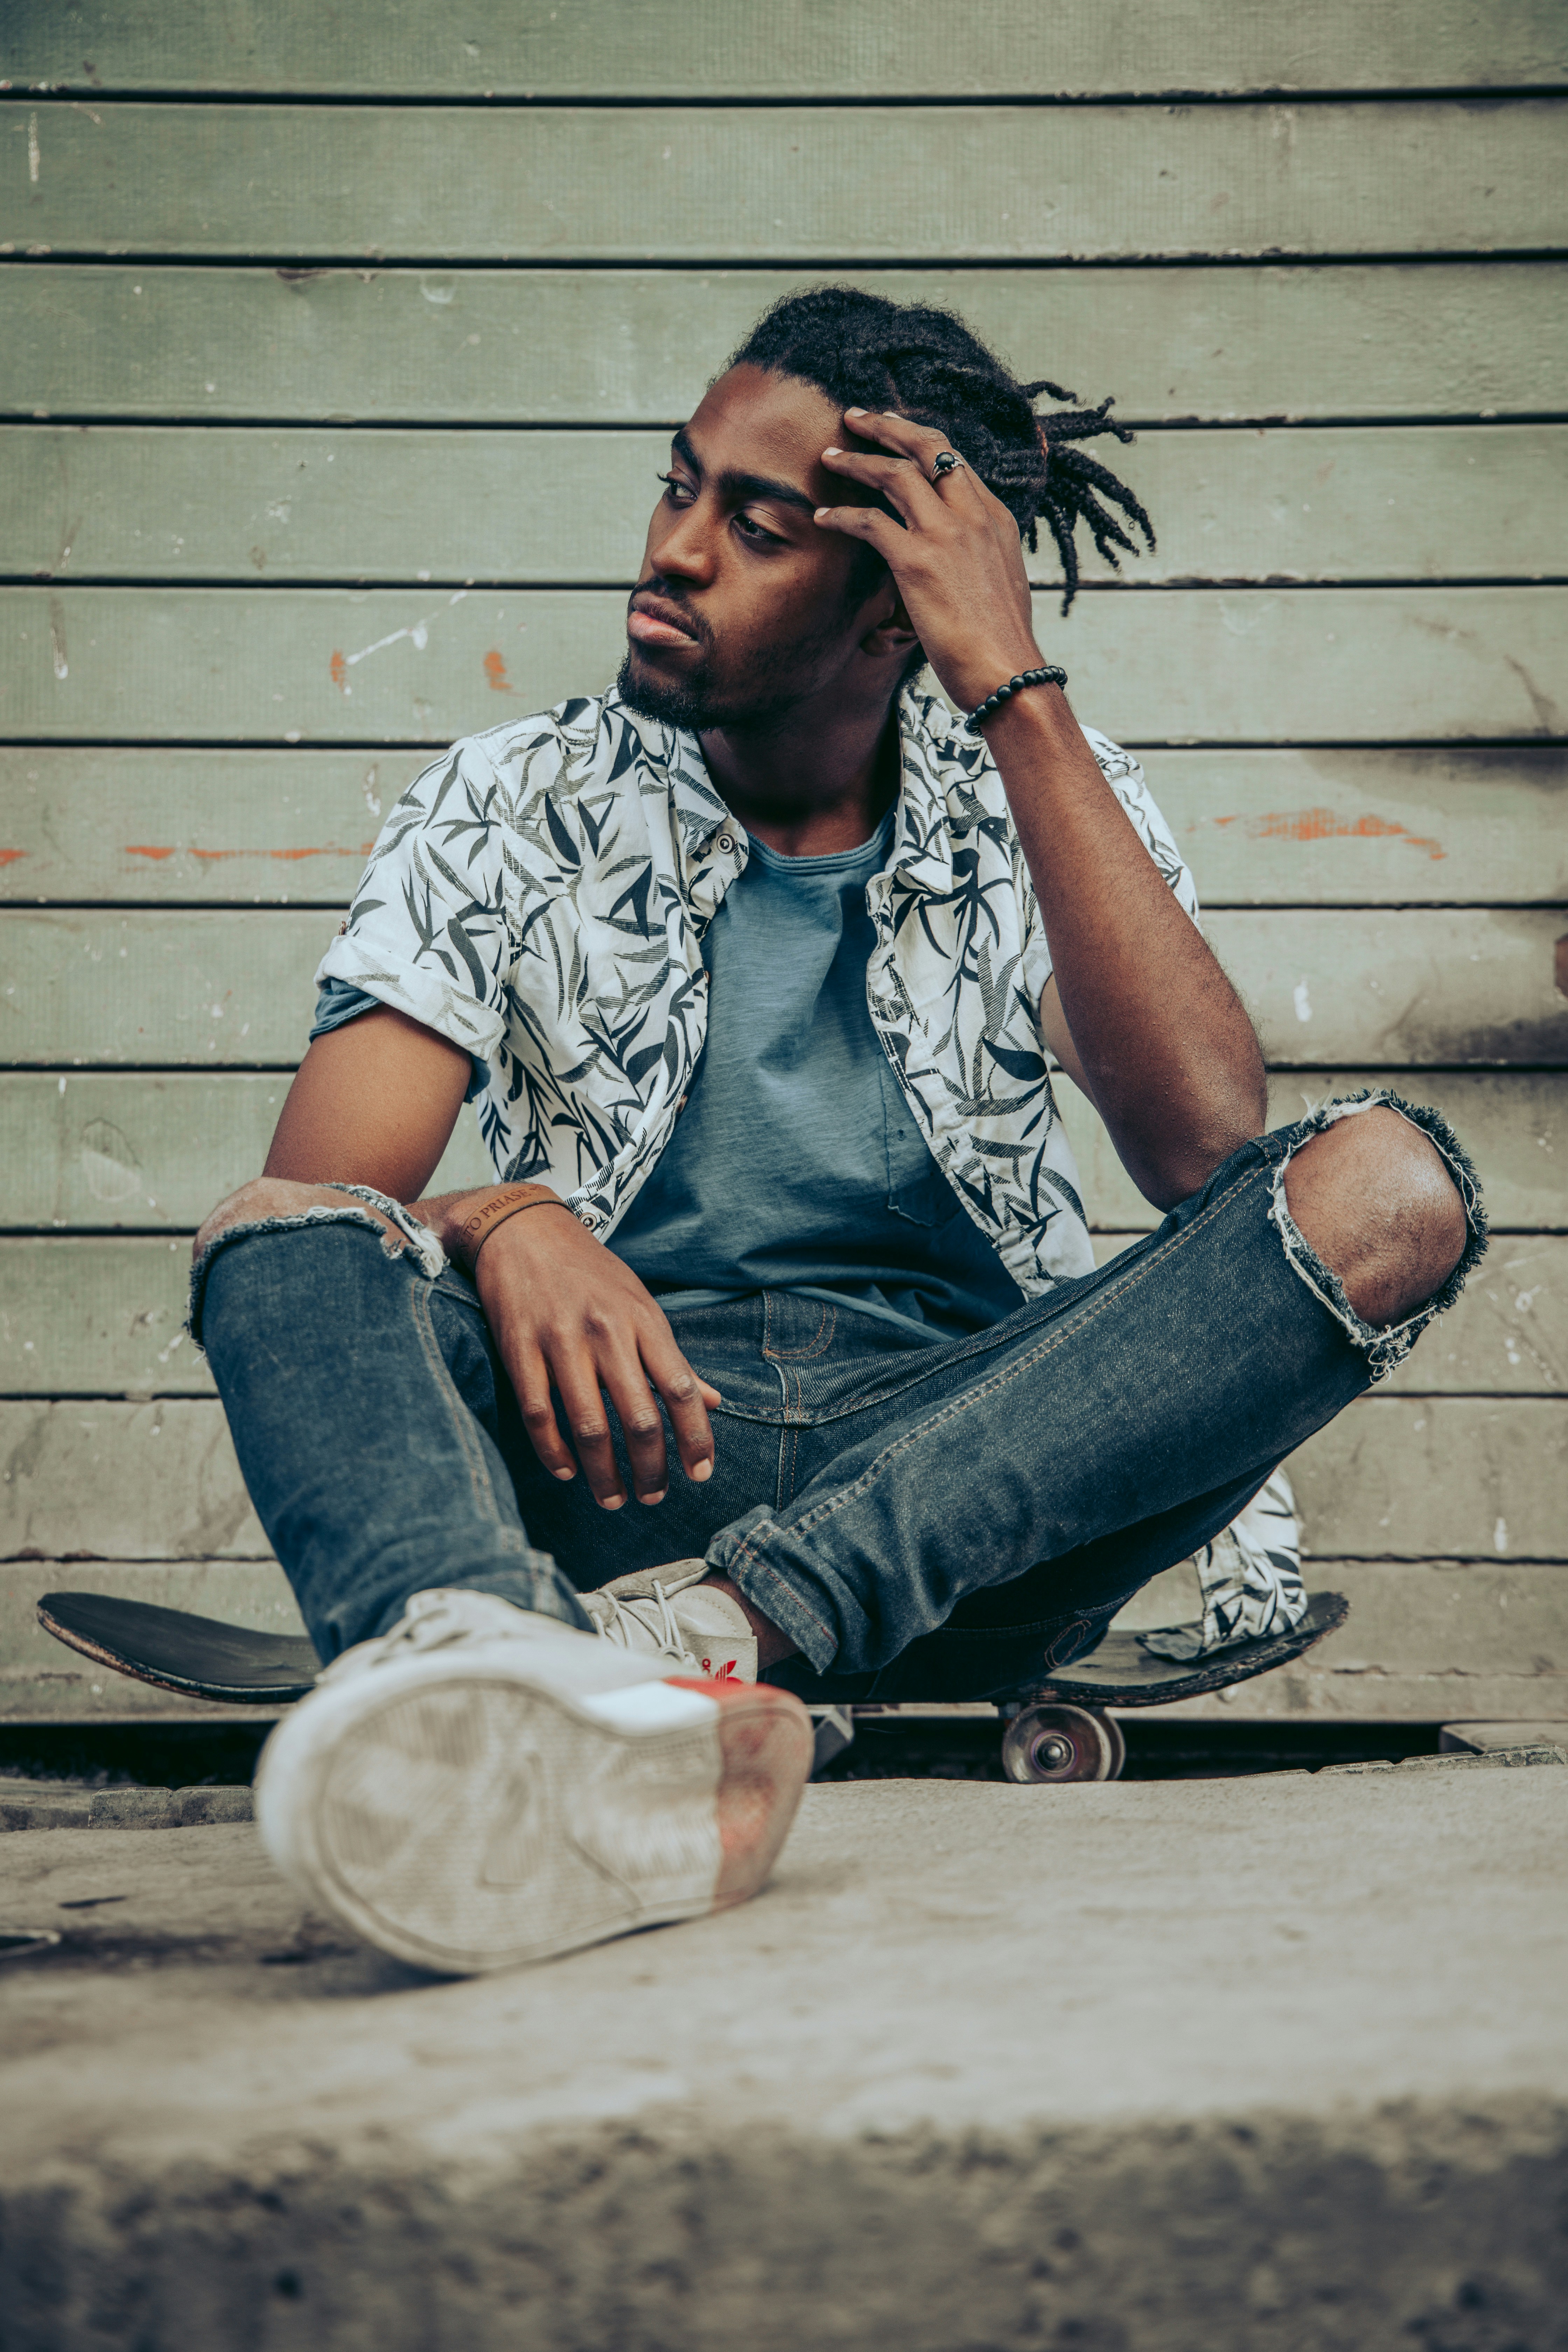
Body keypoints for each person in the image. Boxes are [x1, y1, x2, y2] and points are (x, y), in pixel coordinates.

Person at [190, 287, 1483, 1977]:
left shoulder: (1041, 792)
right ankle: (489, 1660)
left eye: (756, 526)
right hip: (626, 1455)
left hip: (970, 1493)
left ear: (894, 616)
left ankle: (698, 1646)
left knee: (1388, 1190)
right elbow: (318, 1209)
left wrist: (1014, 690)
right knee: (272, 1243)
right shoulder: (510, 799)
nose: (673, 551)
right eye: (679, 486)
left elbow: (1204, 1150)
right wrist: (505, 1219)